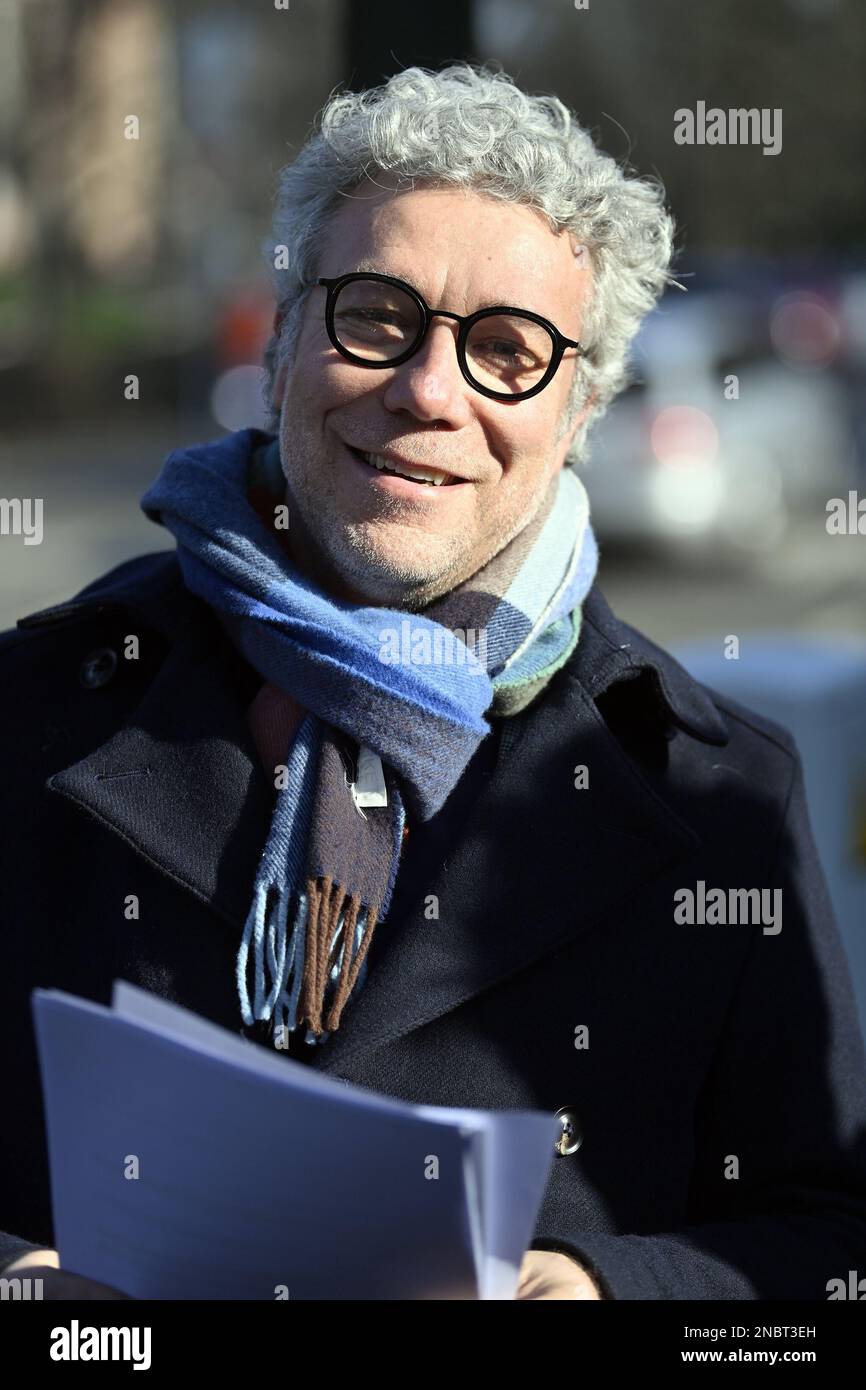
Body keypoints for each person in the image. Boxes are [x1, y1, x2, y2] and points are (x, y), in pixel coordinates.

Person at [2, 63, 865, 1302]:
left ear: (576, 410)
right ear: (287, 331)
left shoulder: (715, 795)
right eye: (375, 315)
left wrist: (608, 1286)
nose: (427, 389)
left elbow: (824, 1239)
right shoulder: (31, 709)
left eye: (507, 350)